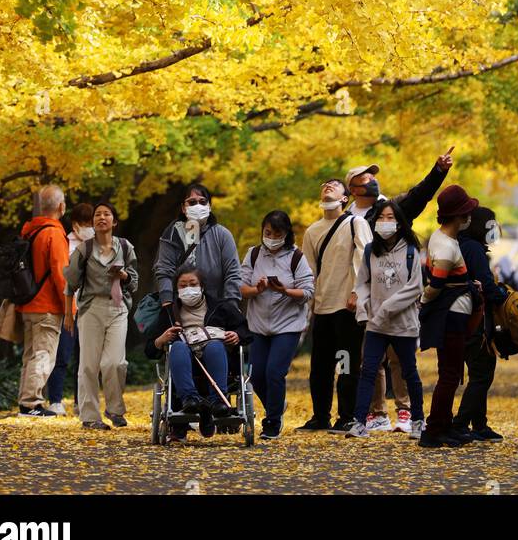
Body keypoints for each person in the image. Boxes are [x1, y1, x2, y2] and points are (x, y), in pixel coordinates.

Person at [346, 145, 454, 433]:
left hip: (401, 320)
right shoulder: (347, 220)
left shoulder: (393, 213)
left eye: (373, 176)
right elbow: (360, 275)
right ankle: (368, 416)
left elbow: (420, 195)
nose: (371, 180)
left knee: (405, 367)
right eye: (365, 178)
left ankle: (410, 415)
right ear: (353, 188)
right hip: (372, 316)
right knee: (368, 368)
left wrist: (438, 171)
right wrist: (362, 305)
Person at [347, 200, 426, 439]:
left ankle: (418, 420)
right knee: (368, 370)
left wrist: (386, 309)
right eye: (382, 218)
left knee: (408, 372)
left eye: (391, 218)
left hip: (403, 325)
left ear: (400, 223)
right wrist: (364, 310)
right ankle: (359, 422)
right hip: (376, 325)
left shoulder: (411, 250)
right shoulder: (371, 250)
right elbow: (362, 283)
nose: (386, 222)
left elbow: (415, 287)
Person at [299, 178, 371, 433]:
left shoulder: (355, 223)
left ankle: (347, 416)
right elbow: (309, 270)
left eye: (334, 185)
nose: (327, 186)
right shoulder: (312, 231)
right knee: (320, 366)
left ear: (345, 198)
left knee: (347, 363)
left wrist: (357, 292)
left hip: (347, 306)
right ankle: (320, 416)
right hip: (322, 306)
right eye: (324, 185)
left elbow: (364, 258)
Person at [146, 268, 245, 444]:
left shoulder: (221, 307)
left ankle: (217, 401)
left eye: (193, 284)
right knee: (178, 347)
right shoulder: (170, 313)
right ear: (176, 289)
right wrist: (162, 339)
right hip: (184, 359)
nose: (188, 289)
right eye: (183, 285)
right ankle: (189, 399)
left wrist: (237, 335)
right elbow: (150, 349)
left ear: (202, 286)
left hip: (216, 357)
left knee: (214, 346)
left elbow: (245, 330)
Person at [419, 183, 483, 449]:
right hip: (452, 316)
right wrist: (423, 300)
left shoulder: (441, 239)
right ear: (457, 217)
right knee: (450, 374)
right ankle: (434, 430)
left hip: (453, 313)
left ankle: (443, 425)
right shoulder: (446, 246)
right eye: (466, 212)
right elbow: (436, 285)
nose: (469, 217)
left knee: (450, 372)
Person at [64, 199, 138, 431]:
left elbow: (135, 282)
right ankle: (89, 416)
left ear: (114, 221)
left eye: (106, 214)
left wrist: (125, 276)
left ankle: (115, 409)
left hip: (118, 307)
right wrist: (68, 314)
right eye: (97, 215)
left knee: (115, 362)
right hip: (90, 308)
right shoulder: (83, 249)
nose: (101, 218)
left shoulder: (125, 247)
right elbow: (71, 283)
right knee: (88, 364)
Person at [240, 209, 314, 438]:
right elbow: (240, 288)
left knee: (274, 372)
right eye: (268, 232)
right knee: (257, 375)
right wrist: (257, 289)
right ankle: (277, 404)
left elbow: (308, 292)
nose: (271, 237)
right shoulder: (253, 255)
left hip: (288, 325)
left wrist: (285, 291)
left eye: (277, 233)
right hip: (259, 325)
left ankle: (272, 420)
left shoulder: (296, 257)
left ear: (286, 234)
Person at [451, 205, 508, 442]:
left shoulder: (463, 244)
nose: (494, 230)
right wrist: (504, 295)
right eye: (491, 225)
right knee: (482, 373)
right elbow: (485, 284)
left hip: (463, 319)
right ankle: (461, 423)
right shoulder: (473, 249)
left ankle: (480, 424)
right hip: (474, 320)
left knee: (478, 371)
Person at [15, 184, 70, 417]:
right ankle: (31, 404)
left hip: (27, 302)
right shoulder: (54, 233)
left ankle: (25, 401)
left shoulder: (30, 231)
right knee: (44, 354)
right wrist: (70, 308)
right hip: (48, 305)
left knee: (30, 354)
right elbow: (60, 275)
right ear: (61, 206)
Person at [154, 181, 241, 313]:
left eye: (202, 201)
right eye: (192, 202)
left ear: (209, 206)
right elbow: (164, 271)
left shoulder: (223, 235)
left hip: (216, 308)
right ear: (183, 208)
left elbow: (233, 273)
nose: (198, 206)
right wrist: (167, 303)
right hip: (180, 307)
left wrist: (231, 306)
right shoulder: (171, 234)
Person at [46, 201, 94, 415]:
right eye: (84, 223)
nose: (88, 227)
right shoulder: (64, 243)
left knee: (86, 359)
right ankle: (55, 400)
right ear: (75, 225)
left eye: (90, 223)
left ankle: (80, 400)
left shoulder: (100, 245)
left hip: (91, 308)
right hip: (69, 307)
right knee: (62, 355)